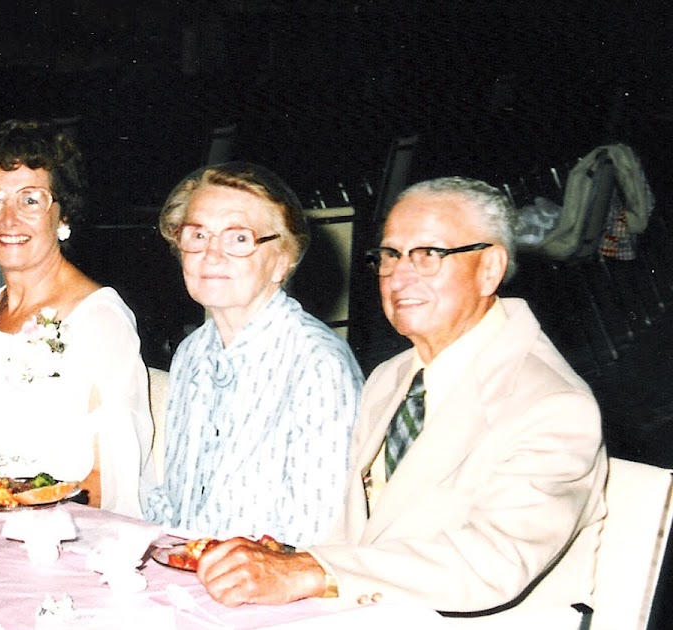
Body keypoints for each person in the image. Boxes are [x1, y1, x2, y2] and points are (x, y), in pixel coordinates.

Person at [196, 177, 607, 624]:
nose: (399, 276)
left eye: (429, 255)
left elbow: (491, 563)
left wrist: (312, 570)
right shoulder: (392, 377)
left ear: (490, 269)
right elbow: (363, 533)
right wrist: (284, 557)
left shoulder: (552, 405)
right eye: (390, 255)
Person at [142, 162, 362, 544]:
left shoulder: (317, 364)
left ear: (282, 260)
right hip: (187, 569)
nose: (211, 255)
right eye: (197, 235)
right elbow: (177, 503)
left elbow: (316, 536)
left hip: (269, 589)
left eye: (238, 239)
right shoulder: (193, 352)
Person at [0, 120, 153, 517]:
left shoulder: (98, 318)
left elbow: (107, 482)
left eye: (31, 200)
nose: (8, 219)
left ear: (64, 215)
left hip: (54, 538)